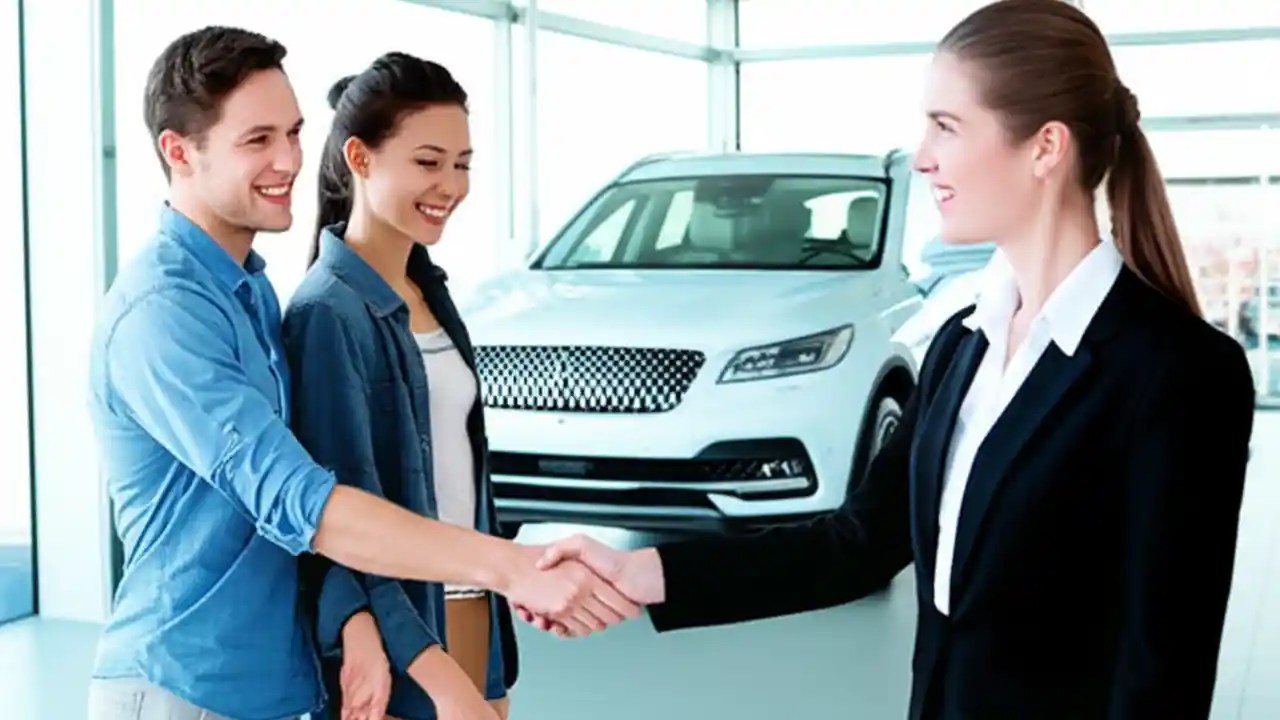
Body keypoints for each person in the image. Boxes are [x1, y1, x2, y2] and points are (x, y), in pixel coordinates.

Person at [528, 1, 1257, 718]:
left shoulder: (1180, 373)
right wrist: (637, 570)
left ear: (1045, 147)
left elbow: (1163, 672)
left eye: (947, 125)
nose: (923, 157)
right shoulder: (962, 346)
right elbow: (856, 543)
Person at [87, 27, 635, 720]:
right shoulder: (163, 313)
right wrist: (511, 565)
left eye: (293, 132)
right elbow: (299, 500)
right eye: (257, 140)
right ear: (178, 152)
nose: (289, 159)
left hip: (279, 685)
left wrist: (352, 624)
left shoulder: (250, 290)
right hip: (185, 685)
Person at [280, 53, 536, 720]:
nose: (451, 184)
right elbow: (341, 524)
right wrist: (436, 677)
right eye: (428, 162)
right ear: (360, 160)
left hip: (472, 604)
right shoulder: (326, 314)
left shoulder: (430, 290)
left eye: (463, 163)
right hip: (404, 639)